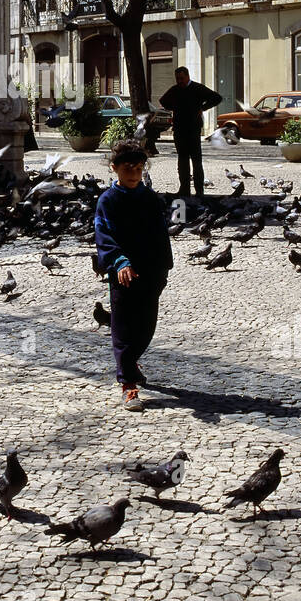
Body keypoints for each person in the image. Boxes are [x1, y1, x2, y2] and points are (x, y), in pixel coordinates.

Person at [94, 138, 174, 412]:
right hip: (122, 273)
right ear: (115, 168)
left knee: (146, 328)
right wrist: (119, 262)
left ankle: (130, 361)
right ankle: (128, 384)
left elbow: (161, 235)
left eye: (139, 168)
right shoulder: (107, 201)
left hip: (151, 271)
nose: (134, 174)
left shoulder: (149, 198)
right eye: (128, 168)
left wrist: (164, 268)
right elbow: (103, 236)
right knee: (124, 329)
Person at [159, 66, 222, 198]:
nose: (180, 81)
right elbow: (163, 101)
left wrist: (202, 108)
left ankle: (199, 191)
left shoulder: (198, 88)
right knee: (182, 160)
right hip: (179, 129)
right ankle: (184, 189)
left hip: (193, 129)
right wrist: (175, 108)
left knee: (196, 160)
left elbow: (217, 98)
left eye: (181, 78)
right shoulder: (175, 90)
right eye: (177, 79)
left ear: (187, 76)